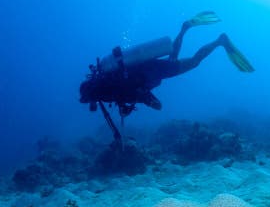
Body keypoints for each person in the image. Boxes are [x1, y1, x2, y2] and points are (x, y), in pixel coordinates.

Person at [79, 12, 253, 124]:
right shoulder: (107, 82)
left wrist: (151, 103)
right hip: (149, 69)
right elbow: (130, 89)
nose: (91, 103)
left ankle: (219, 41)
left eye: (89, 100)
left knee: (193, 62)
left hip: (153, 72)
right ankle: (184, 29)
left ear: (92, 94)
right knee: (173, 58)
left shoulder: (111, 90)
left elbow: (144, 97)